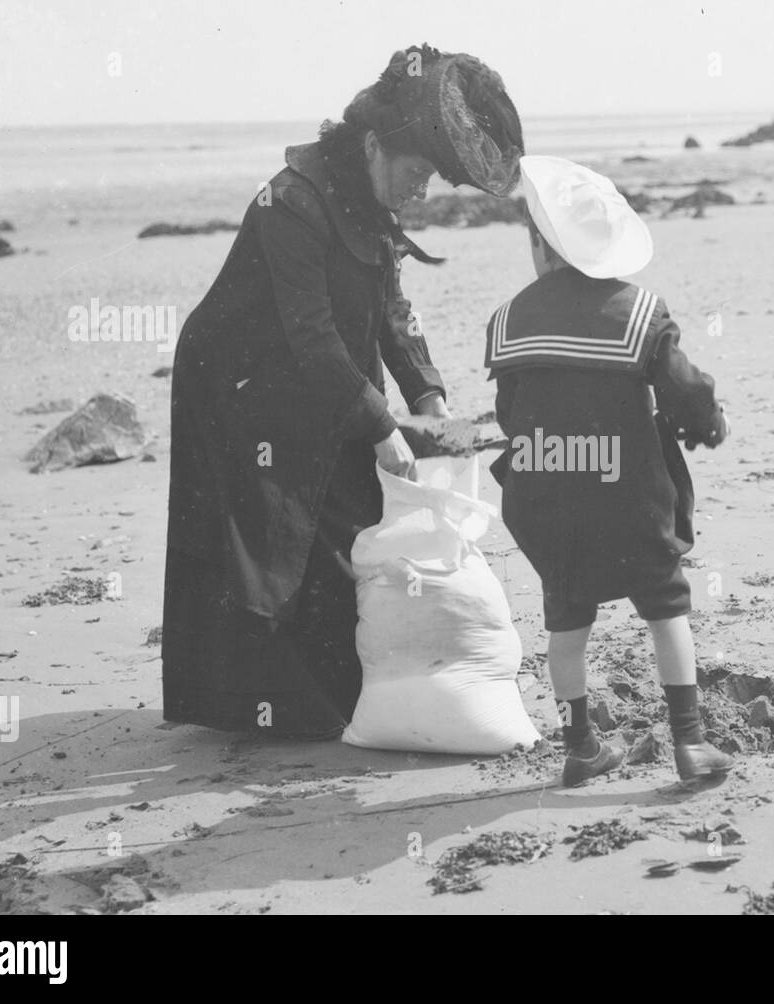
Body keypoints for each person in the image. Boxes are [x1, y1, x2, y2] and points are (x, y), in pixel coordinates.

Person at [162, 44, 523, 739]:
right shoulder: (291, 202)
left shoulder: (370, 200)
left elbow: (390, 309)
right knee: (268, 531)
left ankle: (339, 694)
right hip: (237, 379)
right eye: (416, 174)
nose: (421, 192)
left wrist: (426, 395)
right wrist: (380, 424)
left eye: (430, 181)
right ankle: (259, 708)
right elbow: (311, 330)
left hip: (314, 374)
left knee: (349, 514)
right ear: (371, 146)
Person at [485, 155, 735, 786]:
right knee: (666, 609)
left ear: (540, 246)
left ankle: (580, 745)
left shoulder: (509, 322)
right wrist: (707, 423)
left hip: (545, 500)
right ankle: (691, 742)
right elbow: (686, 393)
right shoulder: (639, 314)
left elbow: (508, 412)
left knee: (566, 624)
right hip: (630, 500)